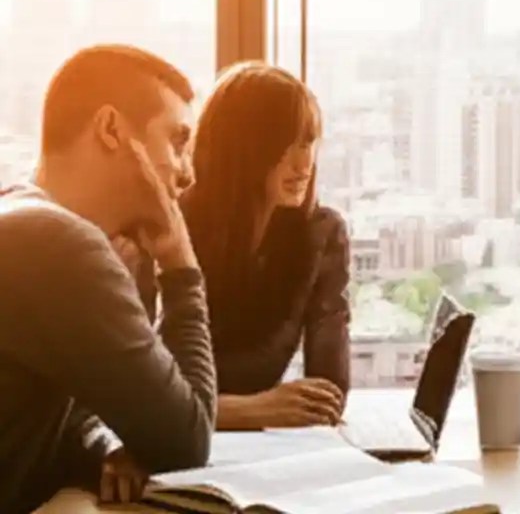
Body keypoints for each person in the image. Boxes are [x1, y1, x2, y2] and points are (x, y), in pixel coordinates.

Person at [0, 45, 215, 511]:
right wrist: (180, 266)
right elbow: (188, 444)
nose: (188, 174)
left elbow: (72, 405)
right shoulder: (57, 242)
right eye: (178, 143)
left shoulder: (22, 211)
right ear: (111, 129)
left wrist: (105, 439)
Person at [178, 62, 350, 430]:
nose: (303, 163)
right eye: (283, 145)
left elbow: (329, 393)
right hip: (174, 451)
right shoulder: (171, 229)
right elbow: (138, 398)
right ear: (240, 148)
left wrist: (272, 409)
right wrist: (250, 410)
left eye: (307, 143)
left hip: (253, 450)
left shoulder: (321, 234)